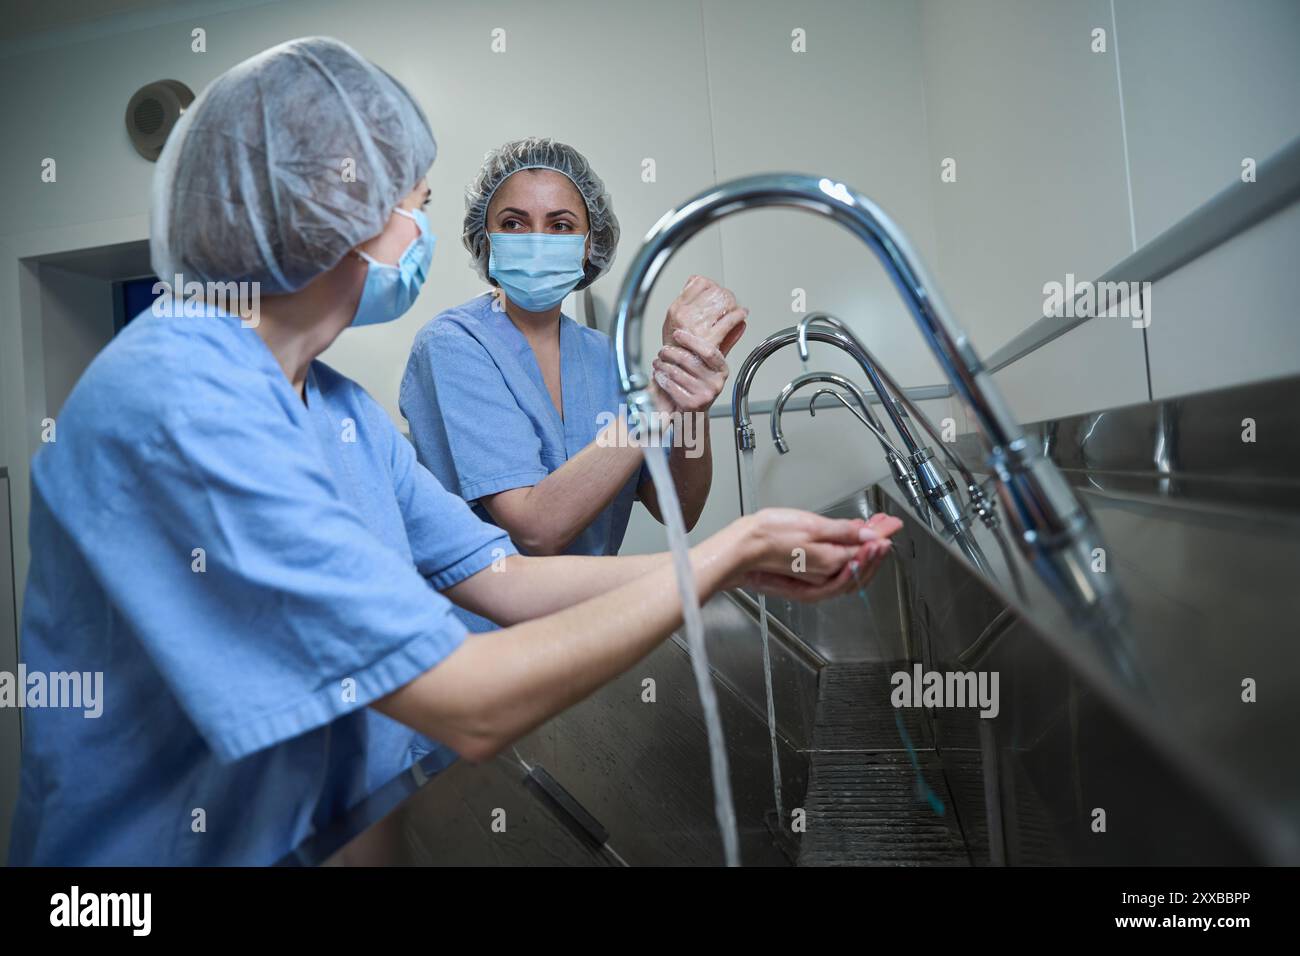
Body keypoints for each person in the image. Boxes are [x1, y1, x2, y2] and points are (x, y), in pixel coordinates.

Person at [7, 37, 901, 866]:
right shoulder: (181, 400)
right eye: (416, 211)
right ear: (333, 212)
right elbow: (466, 693)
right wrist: (722, 557)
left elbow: (504, 579)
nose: (421, 242)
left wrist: (726, 565)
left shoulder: (335, 408)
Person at [401, 141, 744, 637]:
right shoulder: (453, 346)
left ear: (589, 245)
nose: (537, 240)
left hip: (587, 632)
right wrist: (662, 397)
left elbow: (680, 508)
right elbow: (535, 527)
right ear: (486, 237)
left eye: (560, 225)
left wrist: (690, 395)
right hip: (477, 644)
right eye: (514, 223)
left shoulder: (606, 357)